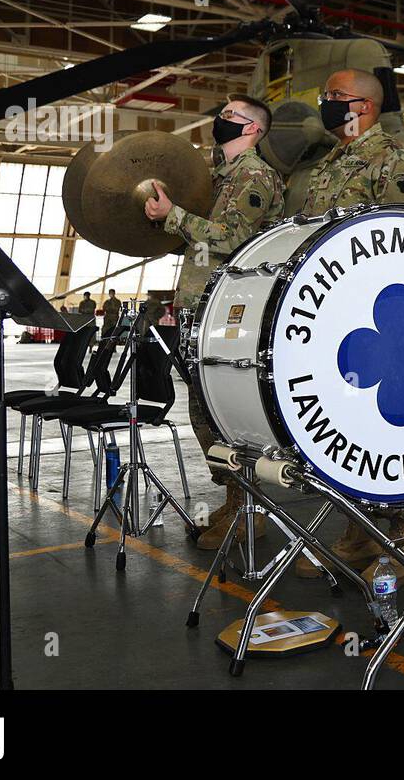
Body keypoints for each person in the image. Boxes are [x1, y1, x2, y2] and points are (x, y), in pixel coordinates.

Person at [294, 68, 404, 583]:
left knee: (387, 428)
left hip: (383, 318)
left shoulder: (394, 158)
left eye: (334, 97)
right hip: (338, 318)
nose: (325, 105)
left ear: (365, 107)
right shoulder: (331, 163)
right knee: (349, 423)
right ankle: (358, 532)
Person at [143, 93, 286, 548]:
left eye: (229, 116)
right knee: (203, 412)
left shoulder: (254, 175)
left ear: (253, 130)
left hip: (230, 311)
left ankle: (250, 509)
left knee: (226, 413)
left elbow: (232, 237)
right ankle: (235, 500)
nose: (219, 120)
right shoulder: (217, 176)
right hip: (202, 307)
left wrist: (175, 217)